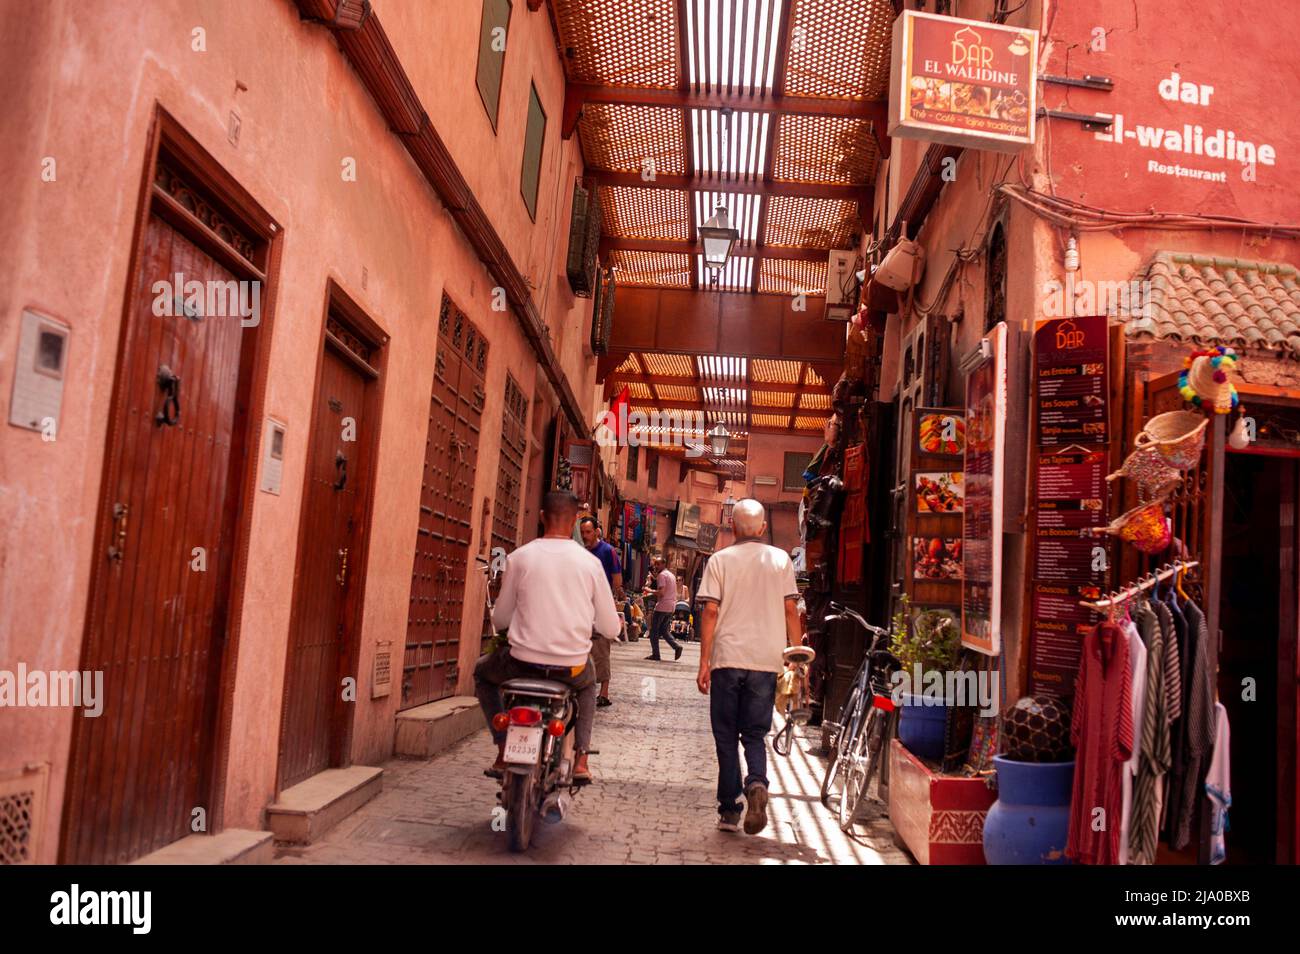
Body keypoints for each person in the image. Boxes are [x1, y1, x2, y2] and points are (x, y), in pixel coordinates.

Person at [475, 491, 621, 783]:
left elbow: (501, 618)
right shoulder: (590, 564)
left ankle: (504, 746)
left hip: (521, 663)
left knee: (482, 672)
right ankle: (581, 759)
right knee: (590, 685)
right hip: (570, 667)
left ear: (542, 517)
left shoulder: (520, 557)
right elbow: (610, 627)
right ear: (576, 523)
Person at [695, 499, 802, 835]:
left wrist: (704, 662)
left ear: (732, 525)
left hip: (727, 660)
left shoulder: (719, 560)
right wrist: (796, 658)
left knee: (726, 736)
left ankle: (729, 810)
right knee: (755, 734)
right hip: (765, 662)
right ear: (763, 528)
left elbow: (710, 612)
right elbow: (790, 610)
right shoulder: (780, 559)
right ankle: (756, 782)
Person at [579, 516, 624, 707]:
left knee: (602, 648)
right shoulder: (580, 552)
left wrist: (609, 601)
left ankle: (604, 692)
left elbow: (617, 580)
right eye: (582, 532)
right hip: (582, 605)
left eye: (588, 532)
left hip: (601, 605)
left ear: (597, 531)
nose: (585, 536)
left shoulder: (608, 551)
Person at [646, 556, 683, 661]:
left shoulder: (662, 576)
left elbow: (661, 593)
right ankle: (677, 647)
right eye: (655, 564)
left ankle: (656, 654)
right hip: (671, 606)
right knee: (664, 630)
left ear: (663, 564)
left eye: (658, 564)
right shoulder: (670, 575)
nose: (656, 566)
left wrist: (649, 590)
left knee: (654, 631)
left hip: (662, 606)